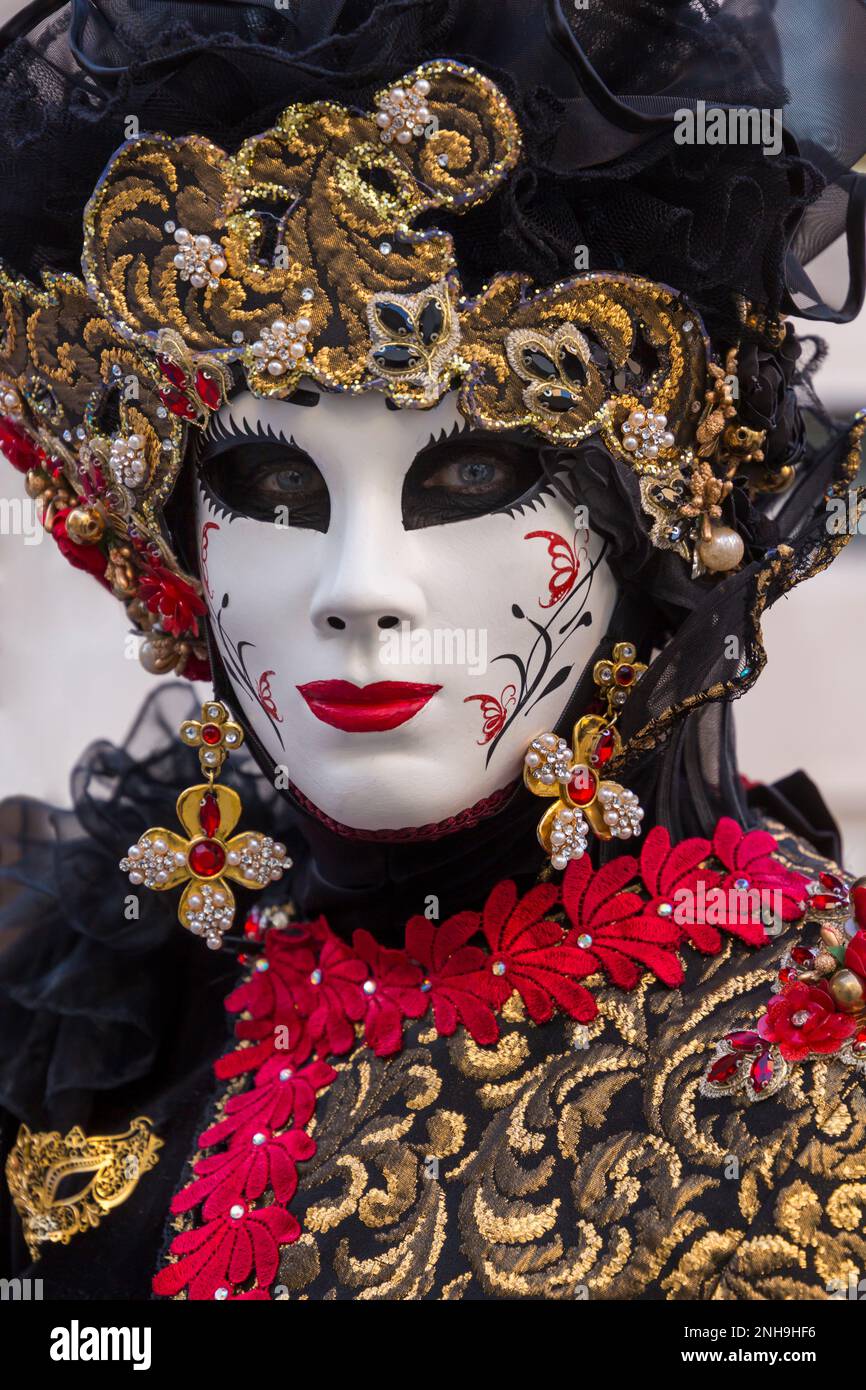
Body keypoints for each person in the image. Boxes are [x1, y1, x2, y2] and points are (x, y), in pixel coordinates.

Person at [1, 0, 865, 1301]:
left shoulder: (805, 1049)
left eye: (472, 471)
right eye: (271, 485)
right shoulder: (127, 990)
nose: (360, 590)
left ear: (642, 533)